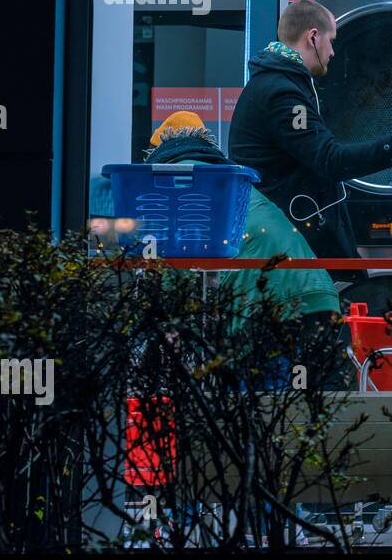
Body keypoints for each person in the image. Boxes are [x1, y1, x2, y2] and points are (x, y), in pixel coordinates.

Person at [228, 0, 392, 259]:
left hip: (281, 236)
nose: (332, 52)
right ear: (314, 37)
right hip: (282, 245)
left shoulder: (278, 82)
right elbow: (332, 160)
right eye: (331, 41)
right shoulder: (282, 94)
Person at [143, 111, 351, 388]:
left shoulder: (175, 187)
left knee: (255, 411)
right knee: (292, 411)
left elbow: (174, 273)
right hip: (315, 296)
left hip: (265, 308)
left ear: (157, 155)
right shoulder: (232, 181)